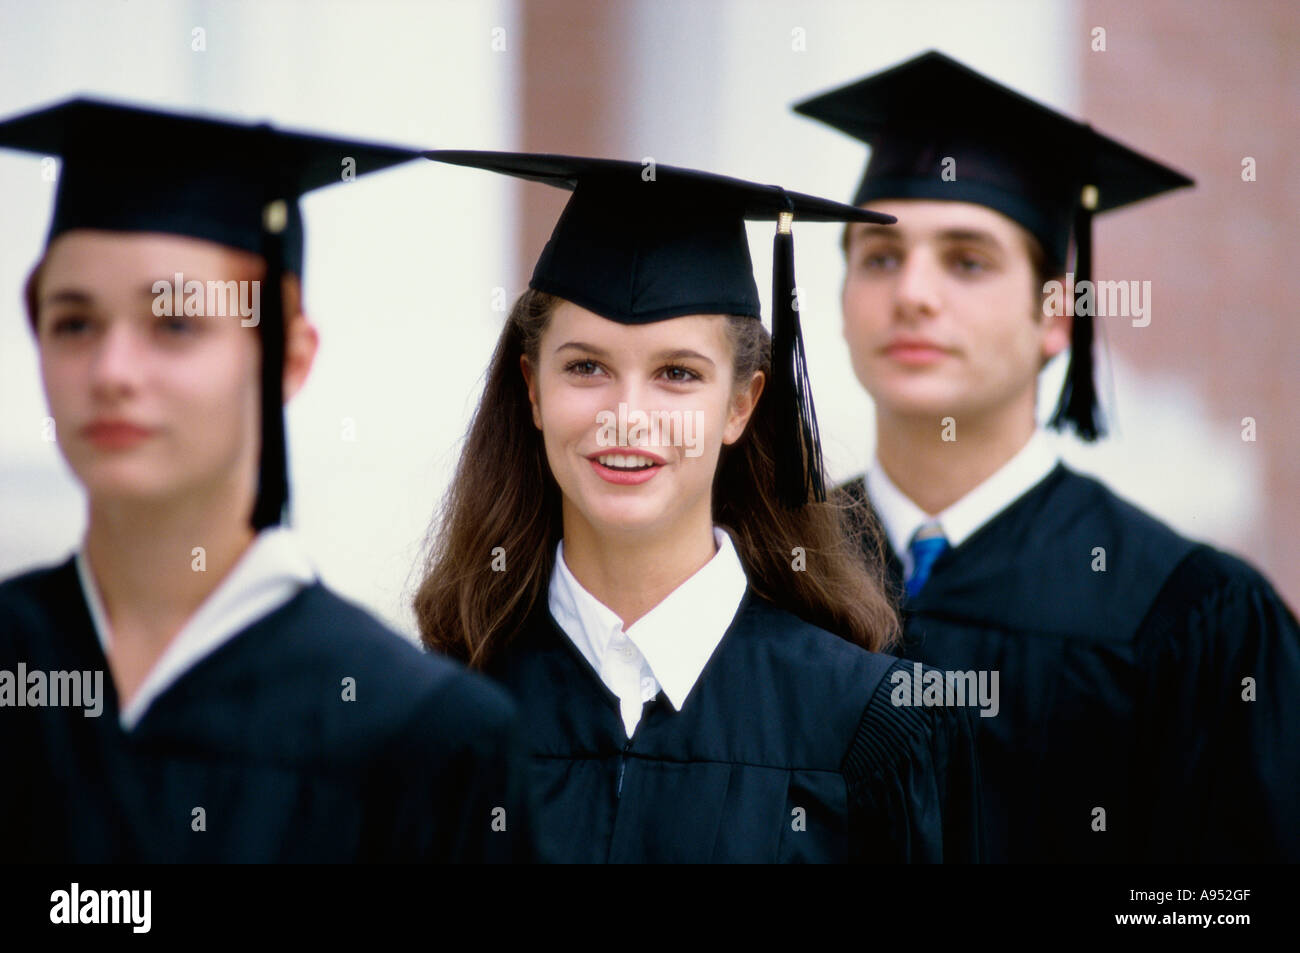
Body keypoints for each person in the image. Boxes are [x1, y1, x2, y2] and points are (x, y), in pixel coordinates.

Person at [794, 50, 1300, 862]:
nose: (913, 292)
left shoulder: (1194, 616)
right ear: (847, 299)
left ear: (1056, 316)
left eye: (967, 260)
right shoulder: (765, 569)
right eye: (880, 256)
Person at [414, 150, 984, 863]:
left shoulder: (865, 726)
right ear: (532, 389)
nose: (627, 416)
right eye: (585, 367)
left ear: (742, 403)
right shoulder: (439, 716)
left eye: (677, 373)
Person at [0, 98, 527, 862]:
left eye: (176, 324)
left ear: (289, 353)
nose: (111, 372)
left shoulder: (423, 734)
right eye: (74, 322)